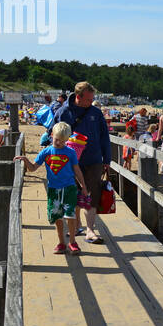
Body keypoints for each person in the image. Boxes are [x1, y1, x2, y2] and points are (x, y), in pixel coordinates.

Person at [55, 81, 112, 244]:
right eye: (88, 99)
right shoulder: (63, 112)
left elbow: (104, 137)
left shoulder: (96, 112)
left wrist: (106, 160)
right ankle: (77, 224)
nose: (91, 102)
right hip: (70, 161)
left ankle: (90, 230)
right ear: (78, 97)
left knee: (92, 194)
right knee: (72, 193)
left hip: (94, 160)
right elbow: (55, 135)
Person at [22, 121, 88, 255]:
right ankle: (61, 242)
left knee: (70, 215)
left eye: (63, 141)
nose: (59, 143)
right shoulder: (46, 152)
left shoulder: (70, 152)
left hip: (69, 188)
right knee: (57, 217)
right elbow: (33, 168)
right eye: (57, 140)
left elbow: (77, 170)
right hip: (53, 189)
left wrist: (83, 186)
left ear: (67, 140)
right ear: (52, 135)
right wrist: (25, 160)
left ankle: (73, 242)